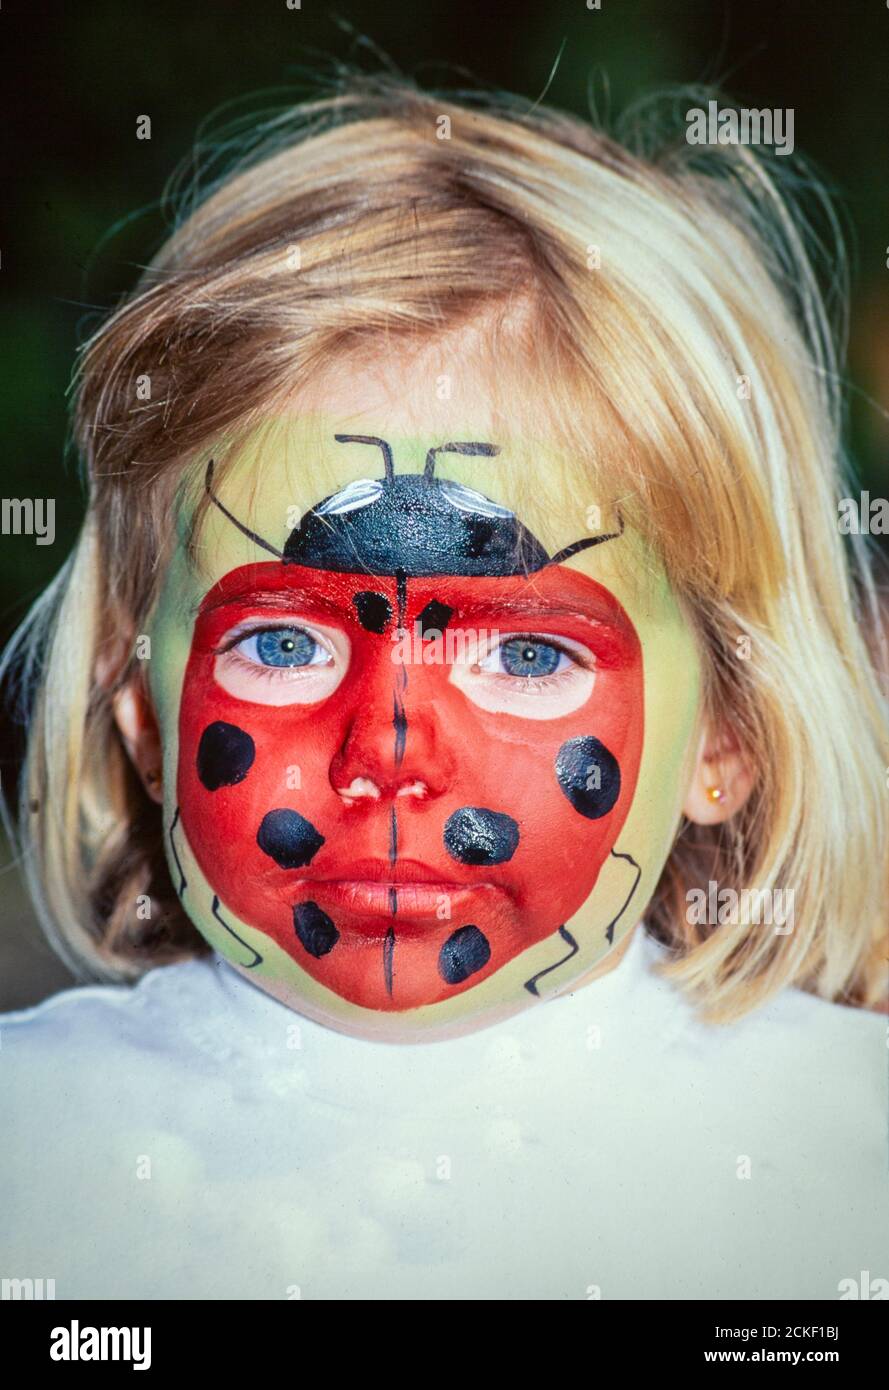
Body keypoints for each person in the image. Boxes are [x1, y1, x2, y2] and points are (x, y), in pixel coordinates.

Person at [1, 73, 887, 1300]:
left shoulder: (848, 1172)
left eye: (528, 655)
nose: (390, 753)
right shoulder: (31, 1165)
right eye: (285, 644)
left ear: (726, 733)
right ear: (142, 710)